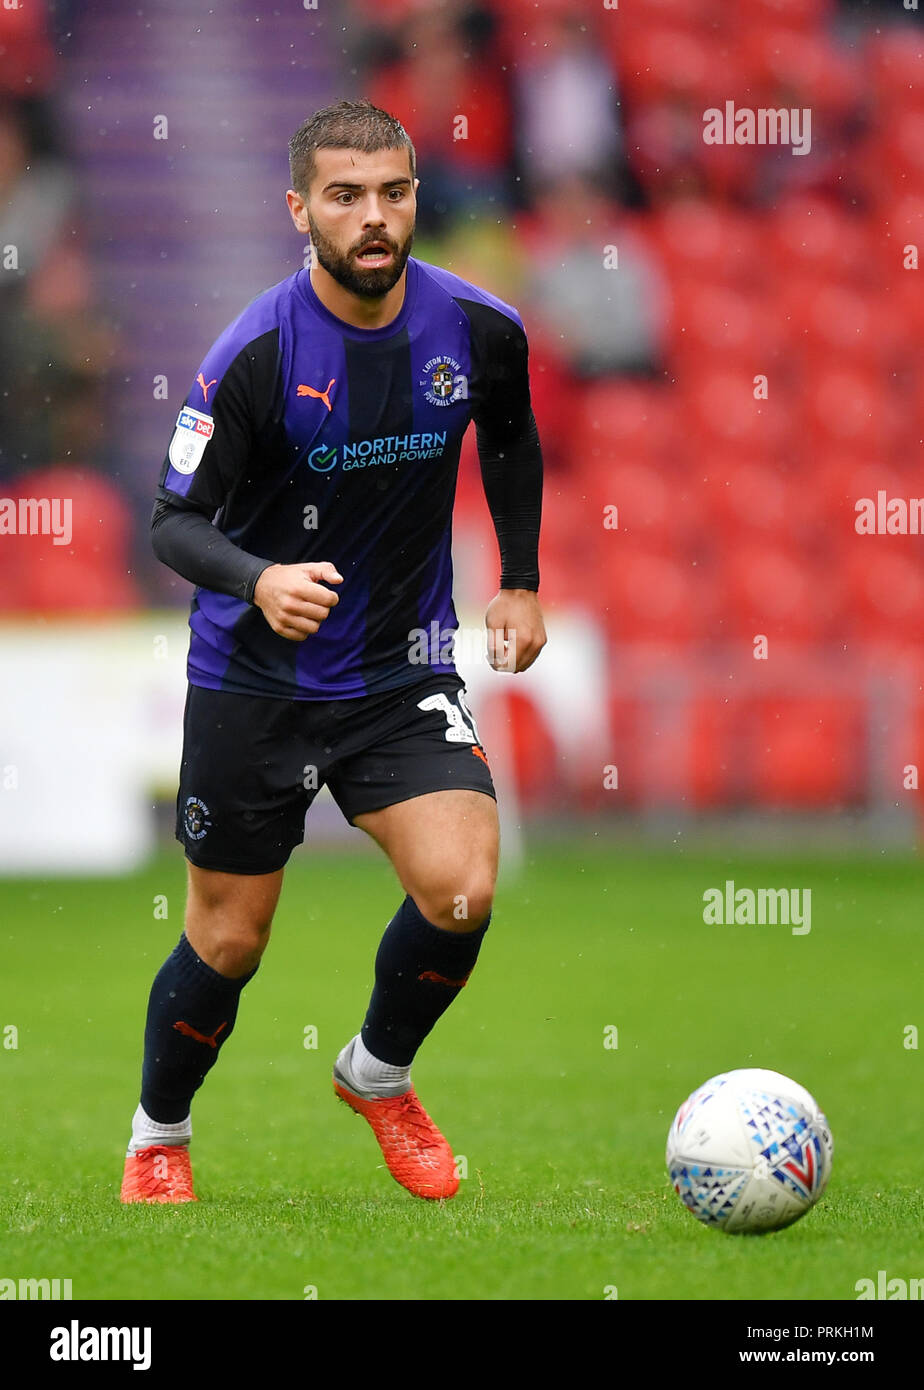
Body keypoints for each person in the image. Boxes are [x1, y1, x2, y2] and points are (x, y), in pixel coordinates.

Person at [119, 99, 546, 1204]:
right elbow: (171, 521)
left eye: (394, 193)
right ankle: (159, 1134)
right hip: (253, 680)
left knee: (463, 889)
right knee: (229, 940)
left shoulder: (480, 329)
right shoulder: (253, 357)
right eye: (346, 196)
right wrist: (260, 578)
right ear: (299, 208)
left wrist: (522, 578)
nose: (374, 218)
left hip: (402, 668)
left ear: (416, 199)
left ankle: (378, 1074)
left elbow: (509, 432)